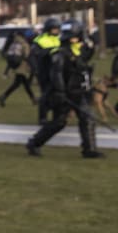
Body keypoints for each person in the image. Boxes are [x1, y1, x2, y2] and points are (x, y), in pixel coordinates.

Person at [26, 28, 104, 159]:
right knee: (59, 123)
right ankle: (34, 143)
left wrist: (93, 45)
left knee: (87, 118)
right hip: (66, 93)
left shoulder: (76, 51)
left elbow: (83, 60)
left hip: (78, 92)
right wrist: (60, 92)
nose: (80, 41)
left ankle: (89, 149)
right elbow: (56, 74)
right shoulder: (60, 54)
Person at [31, 18, 62, 124]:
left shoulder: (59, 39)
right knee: (46, 94)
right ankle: (42, 118)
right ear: (48, 29)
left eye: (58, 29)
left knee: (58, 95)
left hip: (58, 71)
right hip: (45, 71)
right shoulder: (40, 40)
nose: (57, 31)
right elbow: (34, 56)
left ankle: (57, 116)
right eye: (54, 29)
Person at [0, 30, 35, 107]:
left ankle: (33, 98)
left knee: (23, 83)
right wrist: (31, 65)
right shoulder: (24, 44)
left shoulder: (14, 43)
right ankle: (3, 96)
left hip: (15, 65)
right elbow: (26, 56)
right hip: (22, 66)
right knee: (19, 83)